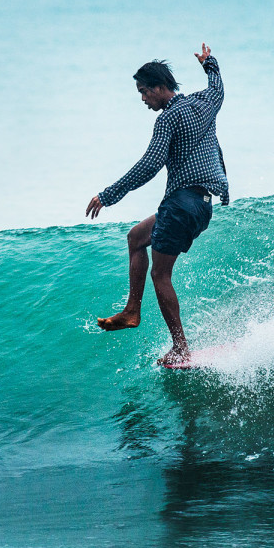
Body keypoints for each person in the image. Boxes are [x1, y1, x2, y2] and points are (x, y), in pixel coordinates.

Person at [85, 43, 229, 366]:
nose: (143, 99)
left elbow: (149, 165)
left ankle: (180, 347)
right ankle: (132, 310)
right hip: (203, 205)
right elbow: (218, 86)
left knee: (161, 274)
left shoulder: (167, 120)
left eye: (144, 92)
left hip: (181, 203)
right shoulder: (206, 102)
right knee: (136, 237)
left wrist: (108, 195)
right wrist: (209, 63)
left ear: (161, 87)